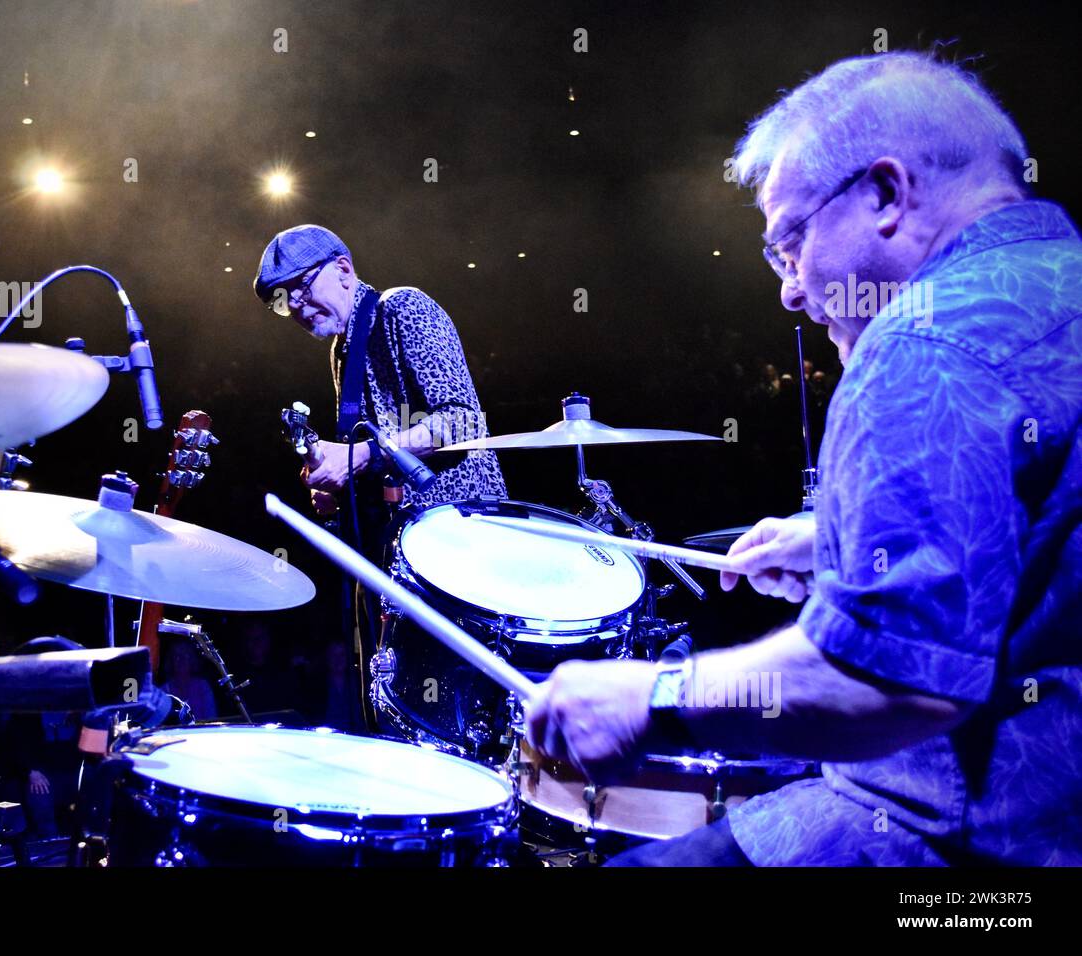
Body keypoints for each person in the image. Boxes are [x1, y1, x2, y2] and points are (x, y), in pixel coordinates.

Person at [524, 50, 1081, 866]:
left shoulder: (924, 342)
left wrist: (655, 696)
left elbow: (888, 685)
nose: (788, 290)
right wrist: (837, 541)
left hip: (970, 852)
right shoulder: (1057, 282)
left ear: (886, 194)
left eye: (790, 242)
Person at [254, 224, 507, 726]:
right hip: (406, 558)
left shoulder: (402, 308)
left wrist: (359, 457)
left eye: (300, 289)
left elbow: (463, 420)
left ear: (344, 269)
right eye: (283, 303)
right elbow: (377, 450)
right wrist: (340, 479)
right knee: (402, 715)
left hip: (464, 541)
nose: (296, 309)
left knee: (465, 717)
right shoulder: (342, 349)